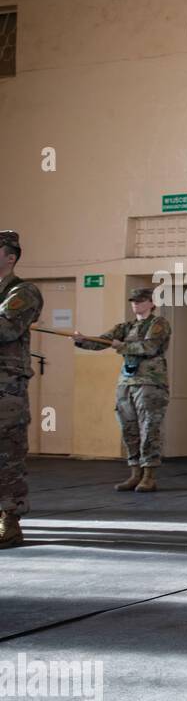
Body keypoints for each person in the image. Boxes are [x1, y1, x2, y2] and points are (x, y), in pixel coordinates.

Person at [74, 287, 171, 492]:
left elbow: (149, 347)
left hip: (150, 382)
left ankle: (149, 475)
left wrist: (121, 346)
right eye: (134, 301)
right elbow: (103, 341)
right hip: (126, 382)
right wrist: (83, 341)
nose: (136, 304)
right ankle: (135, 473)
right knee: (129, 429)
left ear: (152, 303)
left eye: (141, 300)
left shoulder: (159, 324)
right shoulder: (126, 327)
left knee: (149, 428)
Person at [0, 230, 44, 549]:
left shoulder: (24, 291)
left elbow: (5, 329)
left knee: (7, 453)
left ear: (10, 257)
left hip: (7, 388)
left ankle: (10, 520)